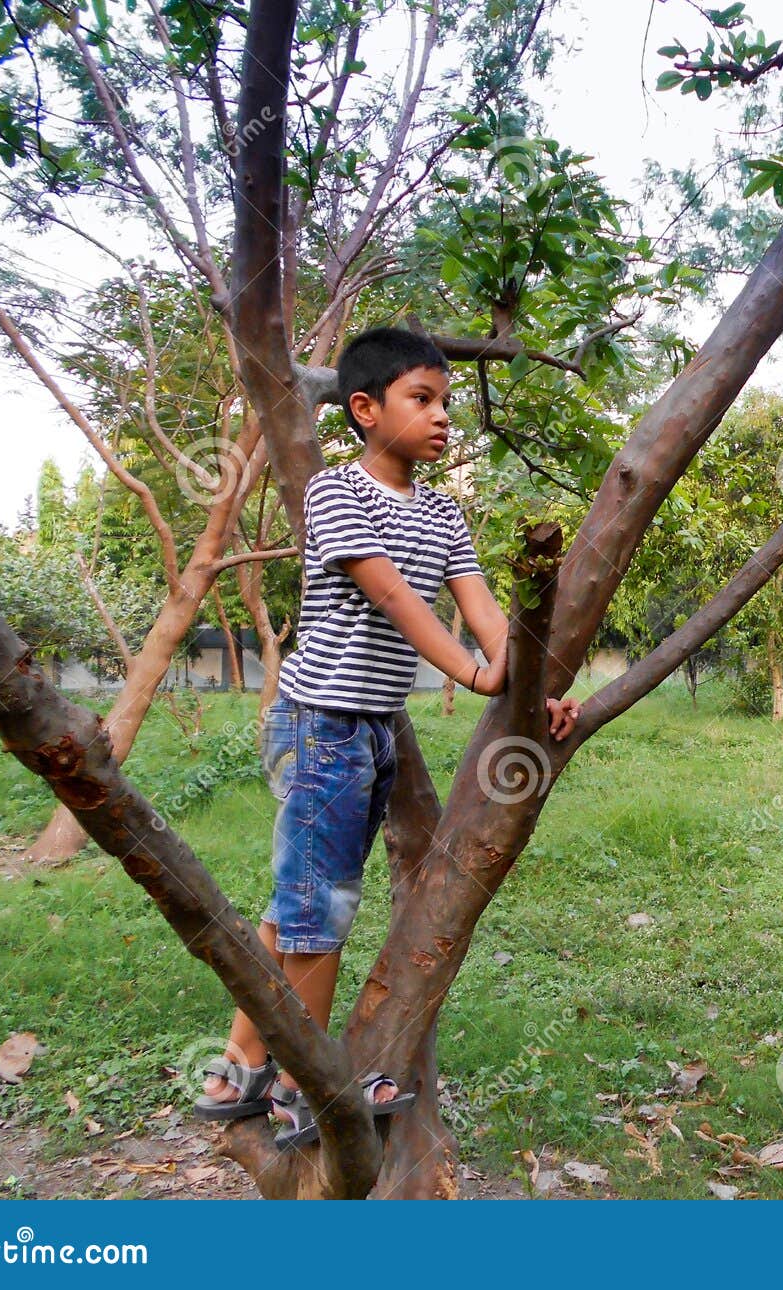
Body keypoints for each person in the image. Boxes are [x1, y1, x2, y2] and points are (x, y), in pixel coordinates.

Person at [192, 326, 579, 1148]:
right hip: (319, 725)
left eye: (447, 402)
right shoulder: (337, 495)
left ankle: (238, 1066)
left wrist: (537, 690)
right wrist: (475, 677)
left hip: (369, 731)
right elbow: (400, 601)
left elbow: (483, 612)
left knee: (295, 902)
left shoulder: (442, 513)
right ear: (365, 410)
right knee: (319, 906)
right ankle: (309, 1083)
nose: (444, 417)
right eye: (423, 399)